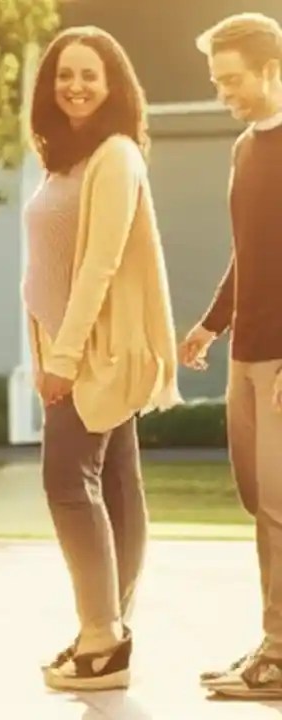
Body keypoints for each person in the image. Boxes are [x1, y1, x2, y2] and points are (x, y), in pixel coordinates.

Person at [23, 26, 181, 692]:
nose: (75, 86)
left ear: (113, 83)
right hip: (68, 348)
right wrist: (42, 349)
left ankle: (101, 636)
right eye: (64, 74)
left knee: (66, 482)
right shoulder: (64, 159)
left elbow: (99, 264)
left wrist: (64, 355)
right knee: (116, 483)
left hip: (96, 353)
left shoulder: (116, 156)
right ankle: (108, 629)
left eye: (89, 74)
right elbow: (47, 266)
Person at [184, 13, 282, 700]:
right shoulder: (247, 148)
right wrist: (211, 326)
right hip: (246, 351)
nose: (225, 94)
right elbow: (248, 254)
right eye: (217, 83)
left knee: (279, 503)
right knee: (258, 499)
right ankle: (273, 639)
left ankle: (280, 653)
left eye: (234, 81)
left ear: (273, 69)